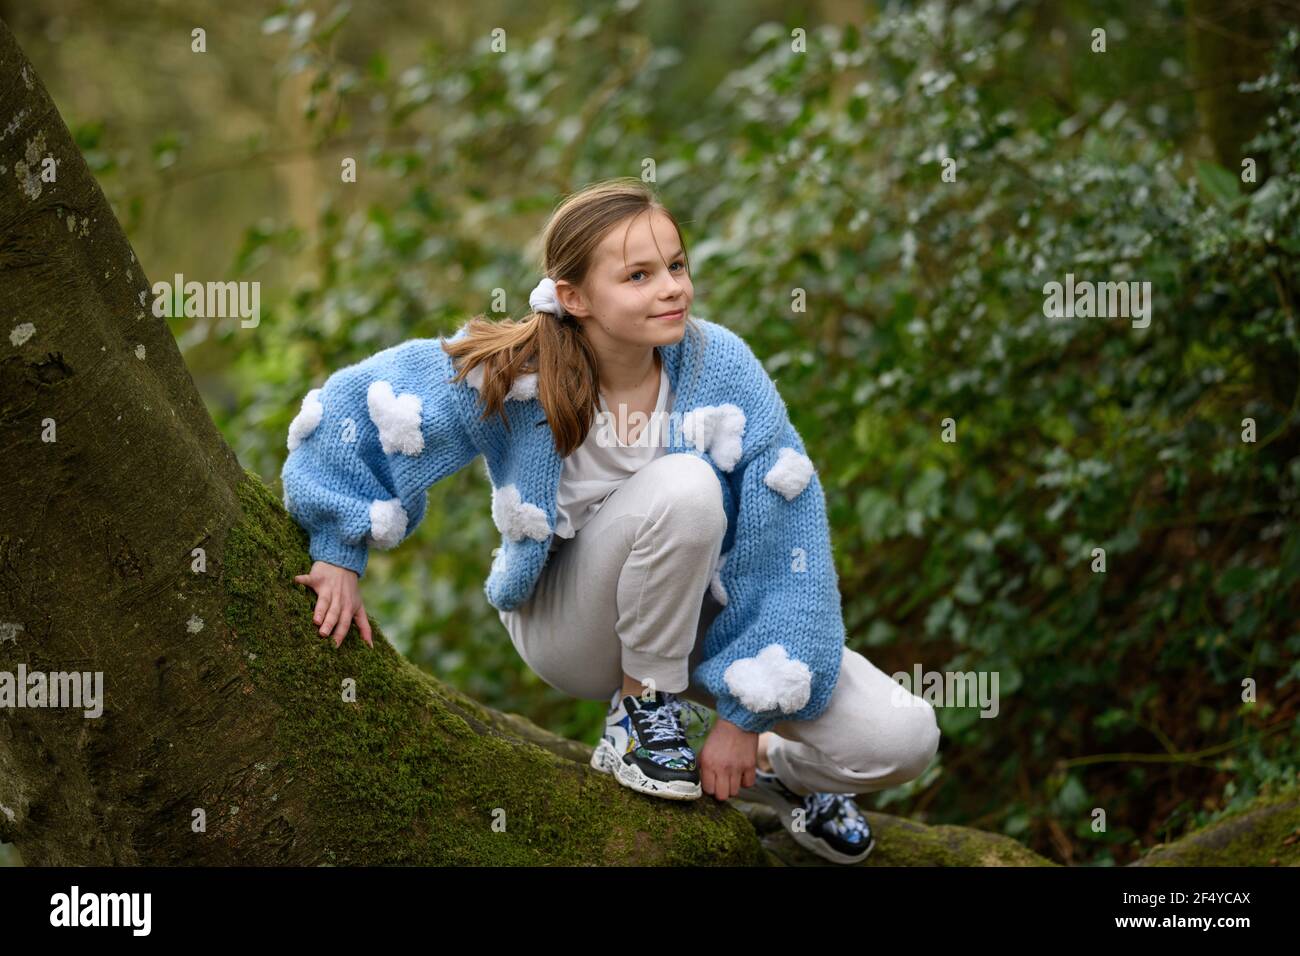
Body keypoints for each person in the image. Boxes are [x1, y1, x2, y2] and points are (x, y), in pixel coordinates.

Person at [280, 178, 940, 865]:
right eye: (639, 275)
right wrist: (338, 549)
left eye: (676, 266)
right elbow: (367, 411)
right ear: (574, 297)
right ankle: (638, 716)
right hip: (570, 623)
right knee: (688, 487)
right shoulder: (519, 370)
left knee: (904, 736)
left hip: (698, 618)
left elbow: (788, 537)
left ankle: (777, 771)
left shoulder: (721, 368)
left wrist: (747, 718)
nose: (671, 288)